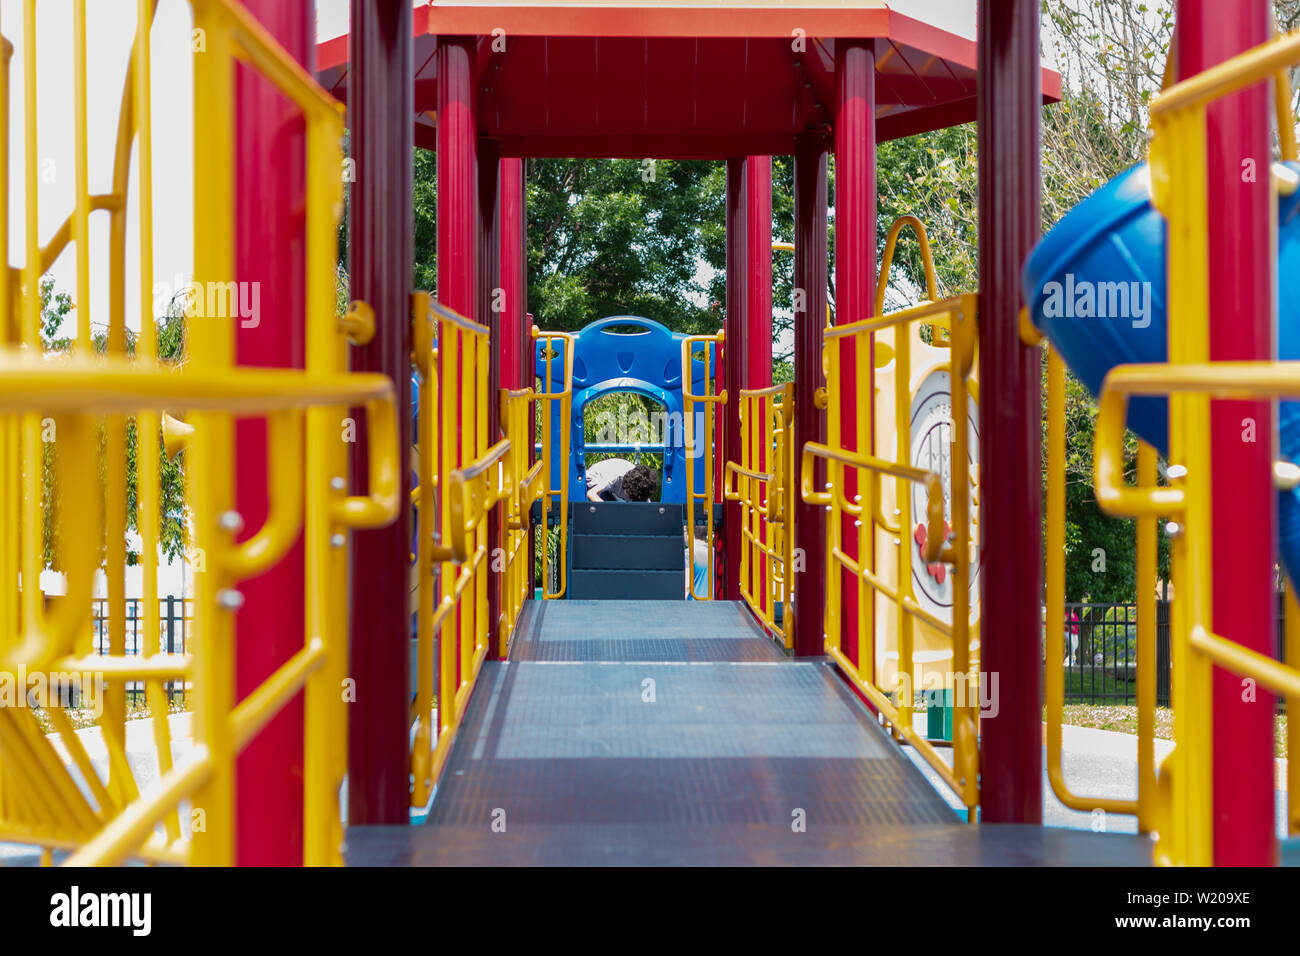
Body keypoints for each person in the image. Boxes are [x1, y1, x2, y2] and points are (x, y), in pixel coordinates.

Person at [584, 457, 658, 502]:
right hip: (594, 481)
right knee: (614, 512)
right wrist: (605, 512)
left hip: (611, 489)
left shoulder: (643, 489)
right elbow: (591, 494)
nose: (630, 499)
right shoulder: (615, 476)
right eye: (630, 496)